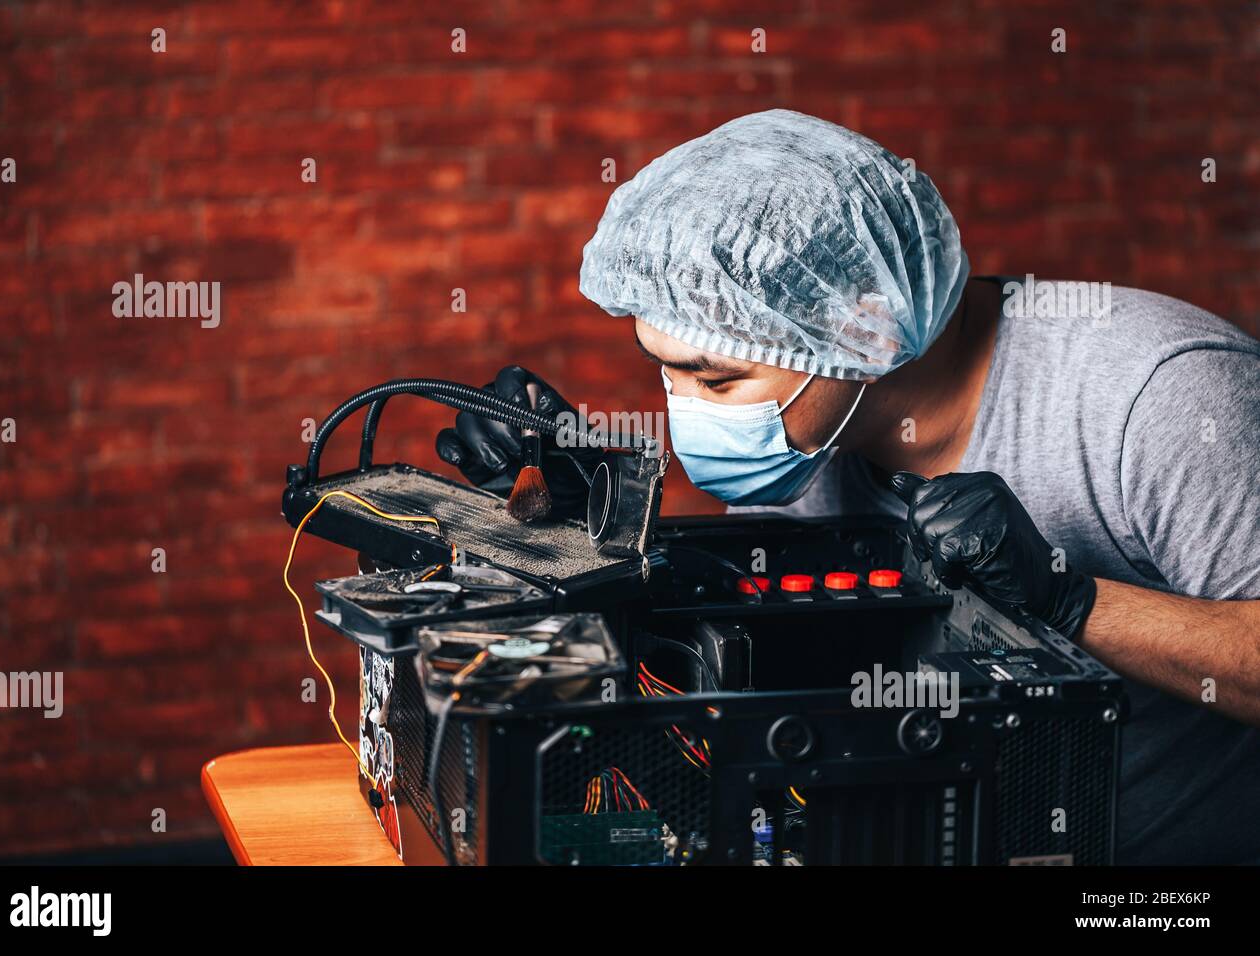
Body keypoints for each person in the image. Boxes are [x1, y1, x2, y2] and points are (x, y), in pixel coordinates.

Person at [435, 109, 1260, 865]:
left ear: (861, 326)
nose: (684, 415)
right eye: (664, 373)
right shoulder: (811, 426)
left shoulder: (1160, 395)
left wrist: (1070, 602)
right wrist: (582, 525)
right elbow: (763, 651)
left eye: (716, 381)